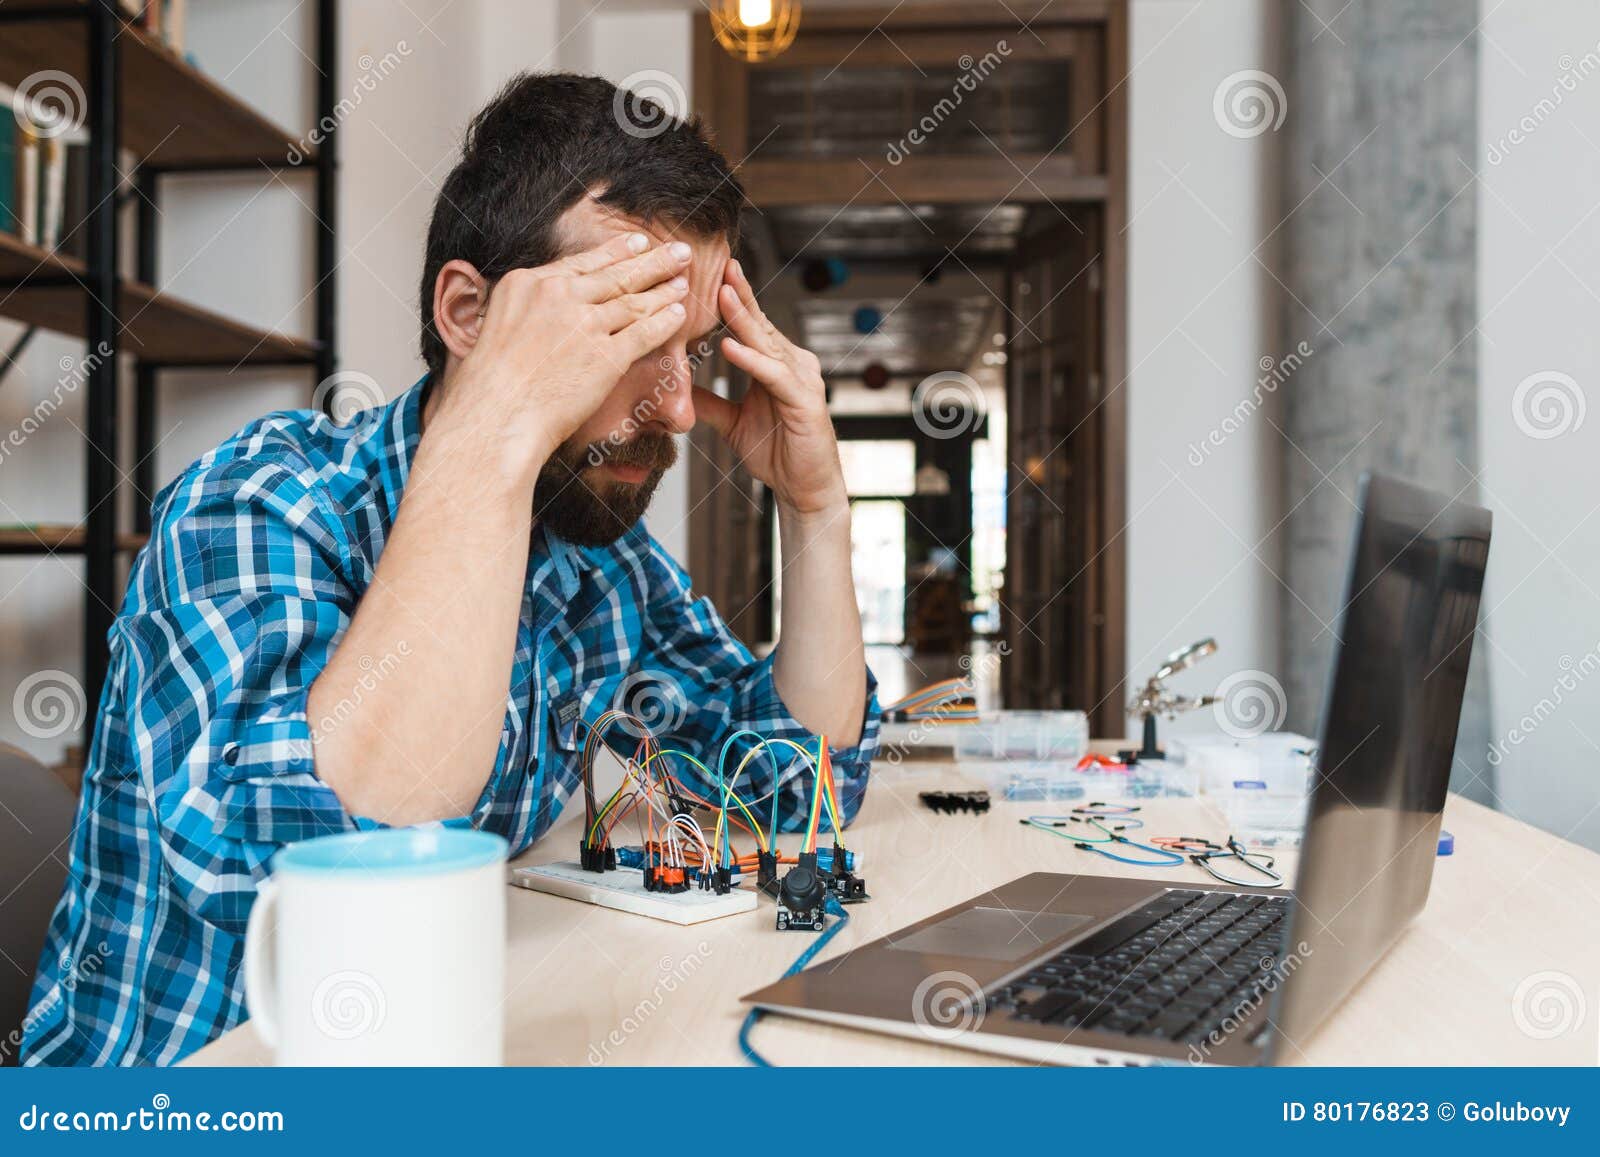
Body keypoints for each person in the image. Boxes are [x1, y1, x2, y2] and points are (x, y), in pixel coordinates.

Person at [23, 72, 878, 1066]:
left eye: (688, 350)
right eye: (623, 335)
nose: (681, 409)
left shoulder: (598, 561)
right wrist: (496, 430)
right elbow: (308, 876)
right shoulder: (257, 502)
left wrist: (814, 510)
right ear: (468, 314)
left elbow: (789, 783)